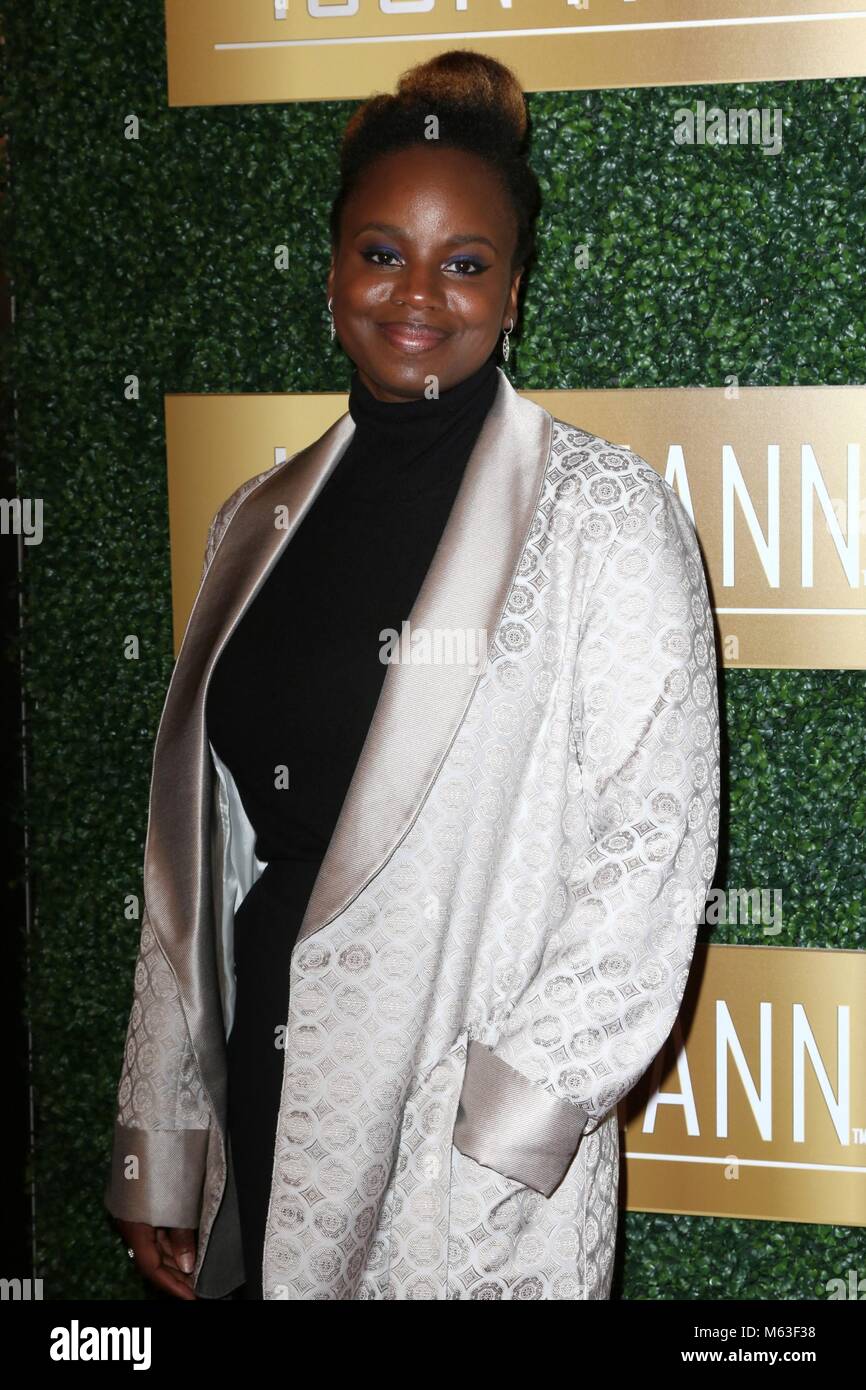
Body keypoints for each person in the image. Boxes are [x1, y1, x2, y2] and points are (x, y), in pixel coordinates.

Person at [105, 48, 720, 1301]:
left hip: (457, 1169)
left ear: (512, 288)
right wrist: (163, 1143)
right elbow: (195, 857)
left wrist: (502, 1131)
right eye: (383, 251)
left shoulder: (605, 516)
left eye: (465, 261)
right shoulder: (252, 520)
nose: (417, 294)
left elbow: (647, 861)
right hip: (259, 1104)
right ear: (332, 270)